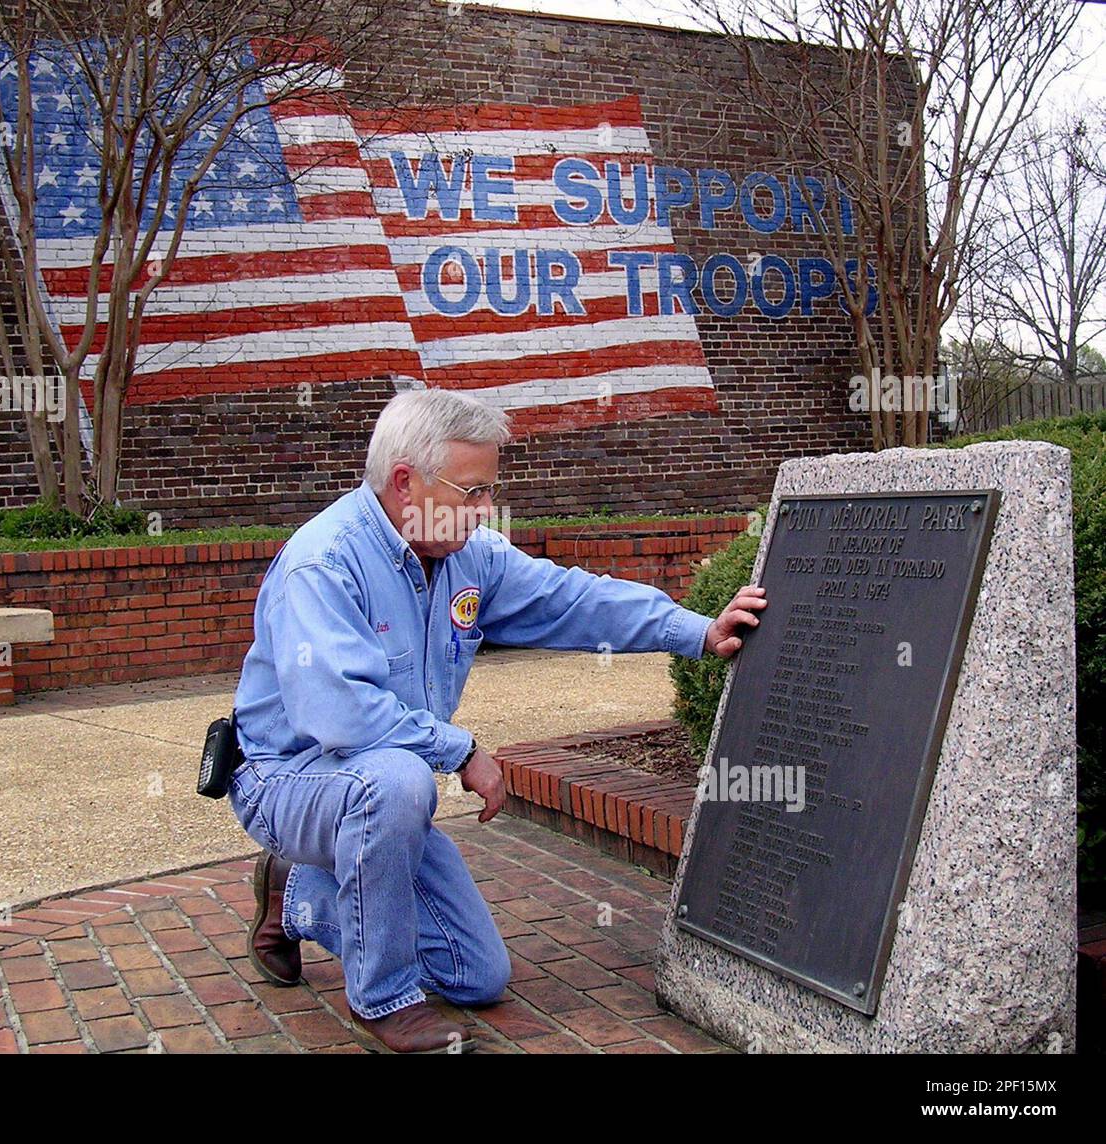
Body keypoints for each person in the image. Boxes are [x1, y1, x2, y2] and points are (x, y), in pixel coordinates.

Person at [227, 386, 766, 1053]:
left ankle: (299, 891)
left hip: (377, 791)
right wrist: (461, 750)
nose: (486, 511)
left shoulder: (467, 557)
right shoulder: (325, 563)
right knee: (399, 781)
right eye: (473, 491)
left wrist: (697, 630)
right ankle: (383, 1000)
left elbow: (573, 600)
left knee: (476, 975)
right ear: (405, 483)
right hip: (290, 780)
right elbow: (340, 714)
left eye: (490, 492)